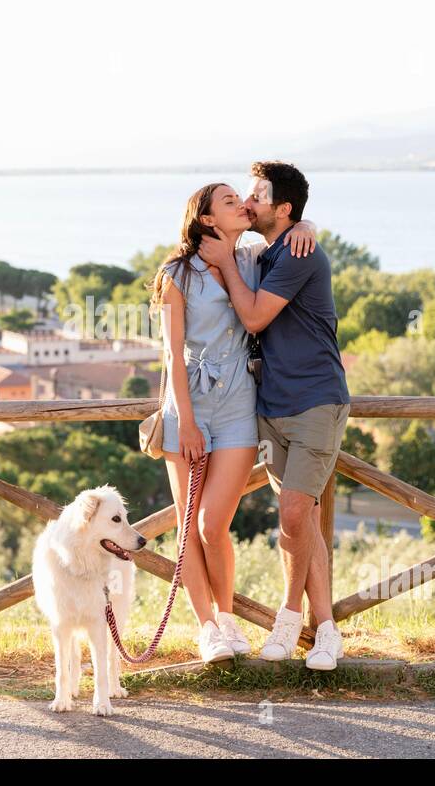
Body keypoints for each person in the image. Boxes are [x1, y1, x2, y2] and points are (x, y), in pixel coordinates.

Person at [150, 182, 317, 663]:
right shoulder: (175, 274)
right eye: (229, 202)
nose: (241, 205)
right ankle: (210, 629)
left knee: (211, 524)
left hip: (240, 405)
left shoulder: (250, 259)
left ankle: (225, 617)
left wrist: (306, 224)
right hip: (189, 408)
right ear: (206, 220)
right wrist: (185, 422)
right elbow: (173, 355)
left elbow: (288, 240)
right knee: (187, 528)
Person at [197, 161, 351, 670]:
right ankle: (326, 631)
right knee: (301, 515)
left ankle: (288, 617)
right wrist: (223, 259)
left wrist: (224, 265)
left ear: (283, 209)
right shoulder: (263, 250)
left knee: (291, 512)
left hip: (316, 403)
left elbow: (256, 315)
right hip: (271, 405)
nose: (248, 201)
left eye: (258, 195)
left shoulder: (299, 252)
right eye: (244, 194)